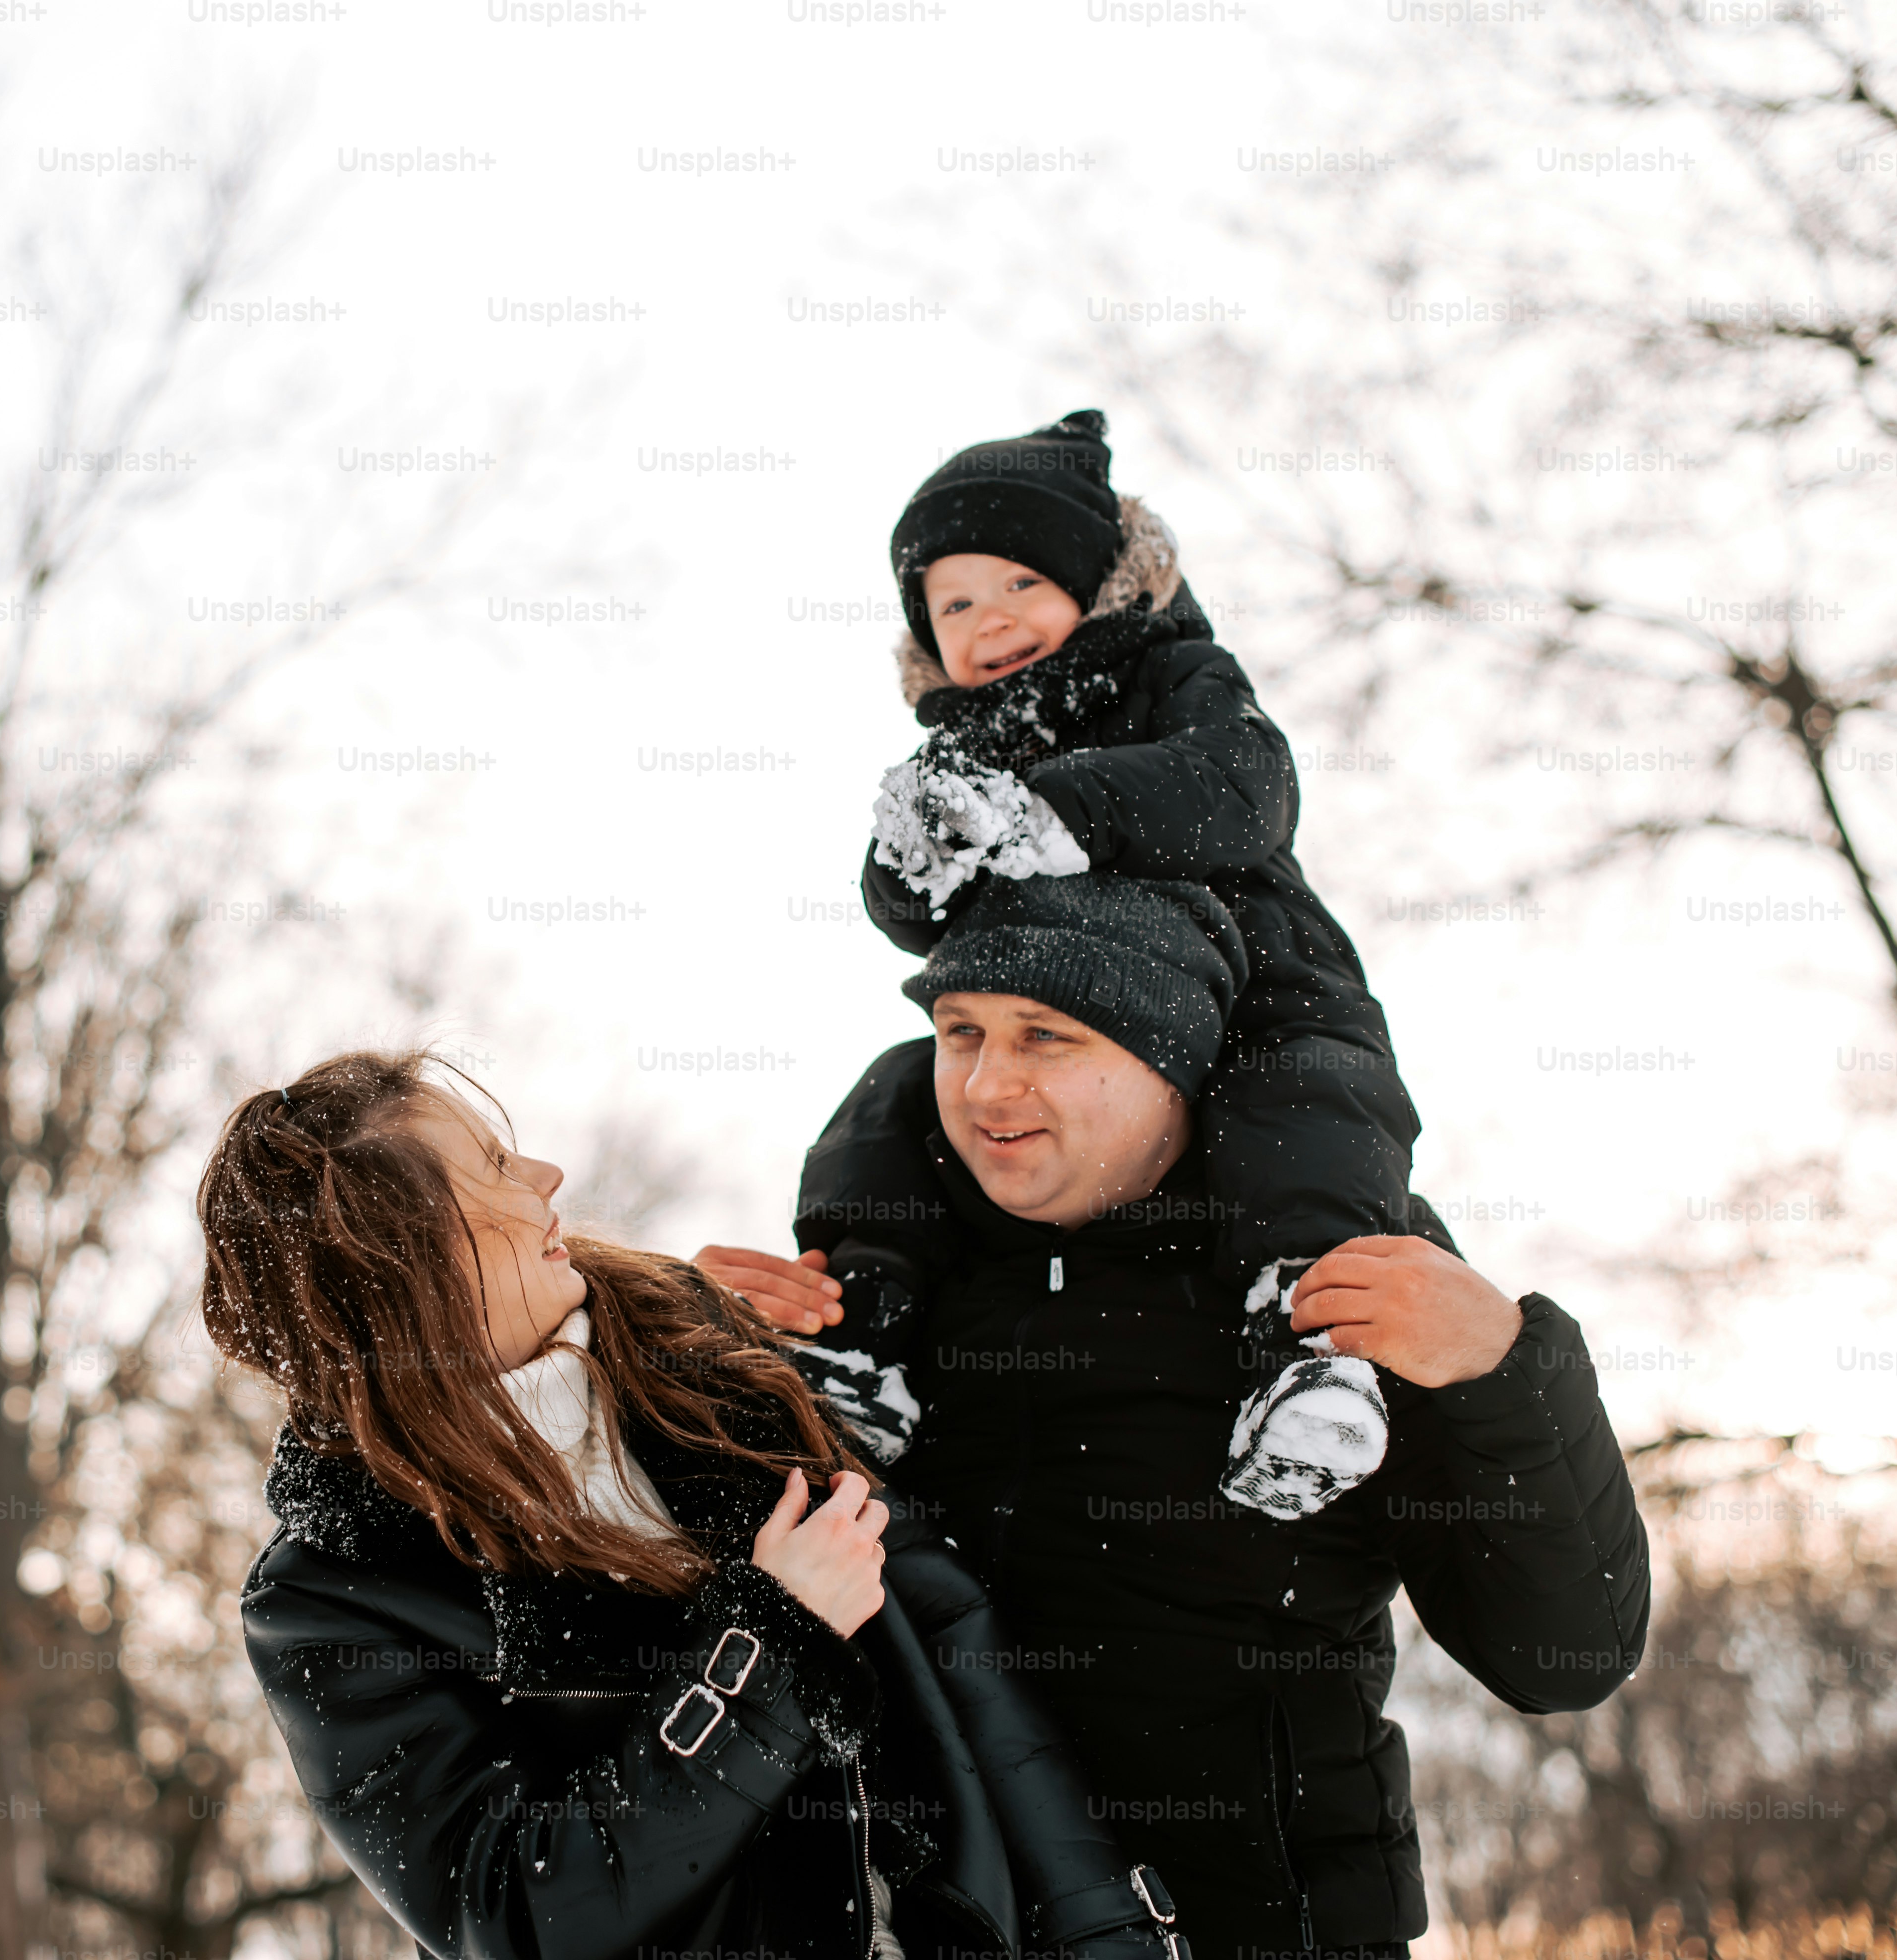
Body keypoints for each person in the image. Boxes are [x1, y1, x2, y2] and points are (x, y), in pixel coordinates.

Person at [698, 879, 1651, 1960]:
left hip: (1259, 1925)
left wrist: (1502, 1369)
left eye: (1044, 1035)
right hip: (946, 1924)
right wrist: (687, 1379)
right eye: (957, 1030)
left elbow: (1565, 1653)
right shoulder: (876, 1293)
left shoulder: (1337, 1273)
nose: (984, 1081)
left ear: (1172, 1057)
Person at [202, 1049, 1193, 1960]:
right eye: (494, 1167)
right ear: (406, 1267)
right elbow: (508, 1911)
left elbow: (955, 1640)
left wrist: (1105, 1926)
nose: (544, 1176)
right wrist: (770, 1644)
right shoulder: (333, 1596)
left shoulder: (701, 1365)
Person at [835, 409, 1423, 1517]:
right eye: (953, 603)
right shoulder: (959, 752)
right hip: (1054, 1023)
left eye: (1019, 582)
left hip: (1256, 973)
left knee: (1303, 1099)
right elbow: (903, 907)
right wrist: (910, 865)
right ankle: (862, 1329)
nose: (989, 619)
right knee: (899, 1100)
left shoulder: (1170, 672)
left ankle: (1311, 1346)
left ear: (1095, 586)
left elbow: (1245, 784)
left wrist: (1055, 809)